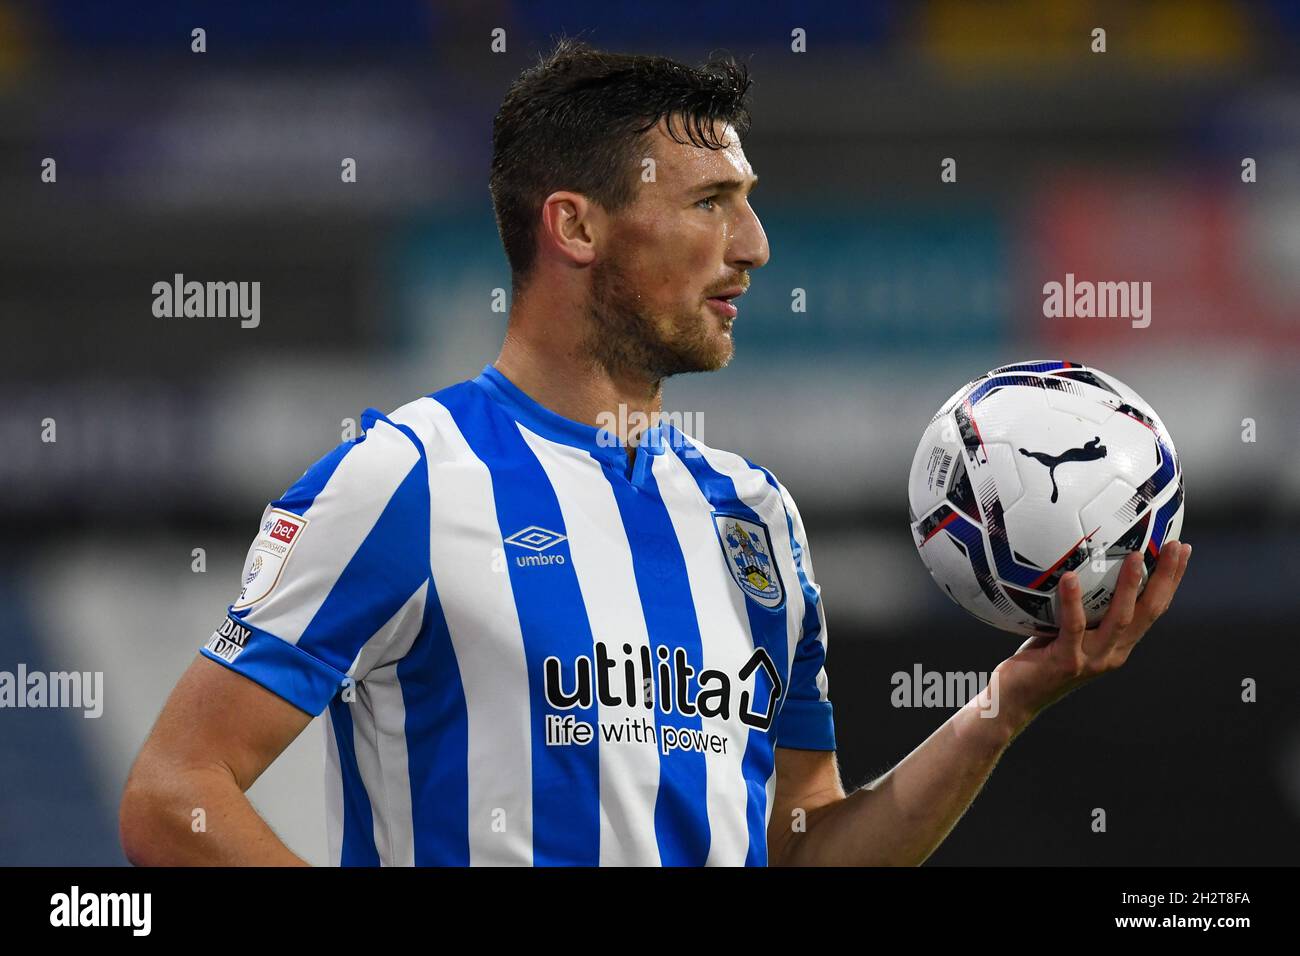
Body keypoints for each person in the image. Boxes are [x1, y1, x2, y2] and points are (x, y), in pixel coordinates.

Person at [119, 39, 1190, 867]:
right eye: (711, 204)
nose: (754, 246)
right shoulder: (407, 475)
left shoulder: (752, 514)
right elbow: (175, 791)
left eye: (749, 203)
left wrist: (1003, 705)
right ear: (576, 228)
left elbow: (804, 842)